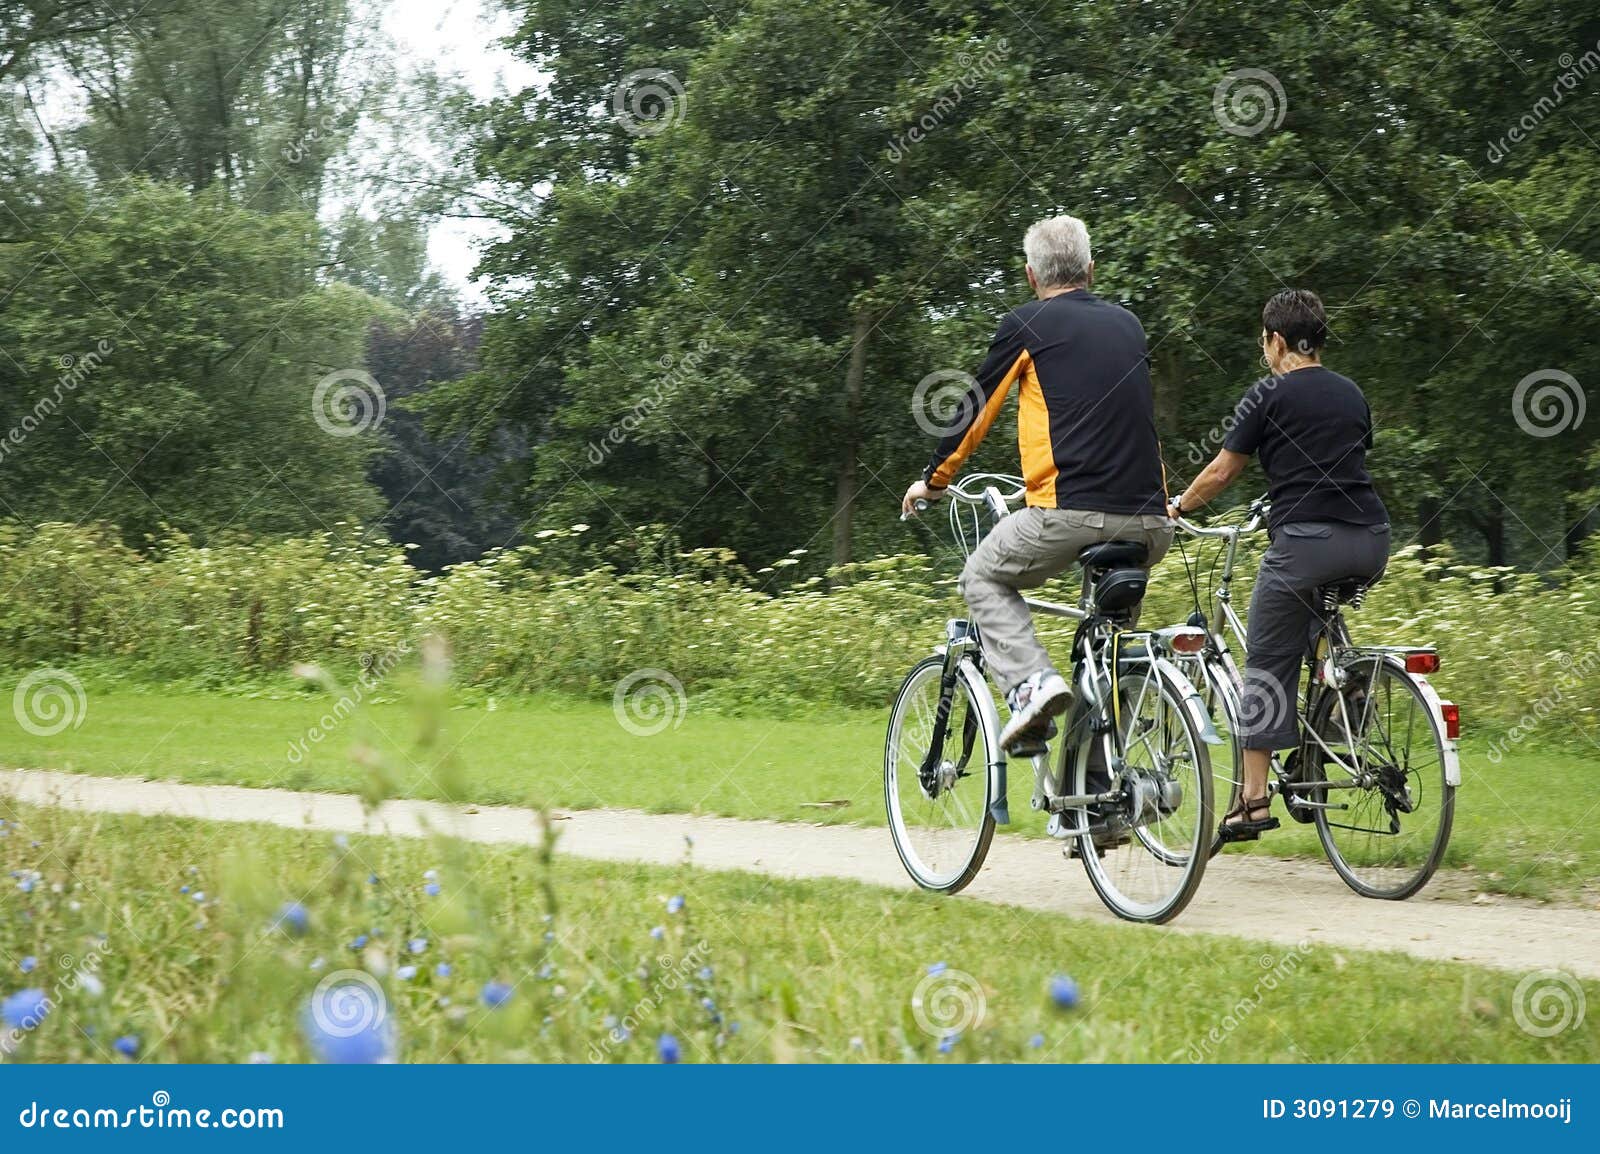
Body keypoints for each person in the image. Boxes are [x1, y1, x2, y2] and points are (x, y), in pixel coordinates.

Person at [901, 214, 1172, 752]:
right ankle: (1096, 807)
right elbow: (1114, 421)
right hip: (1151, 520)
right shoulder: (1129, 325)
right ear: (1091, 271)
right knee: (1106, 652)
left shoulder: (1027, 325)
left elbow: (974, 411)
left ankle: (1029, 684)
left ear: (1031, 276)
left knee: (981, 576)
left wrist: (933, 482)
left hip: (1070, 514)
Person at [1168, 288, 1390, 842]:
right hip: (1371, 538)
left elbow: (1222, 471)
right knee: (1318, 615)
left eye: (1263, 339)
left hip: (1306, 543)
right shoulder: (1352, 393)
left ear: (1276, 340)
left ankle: (1253, 800)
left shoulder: (1266, 394)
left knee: (1267, 660)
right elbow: (1342, 457)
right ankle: (1344, 699)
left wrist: (1177, 507)